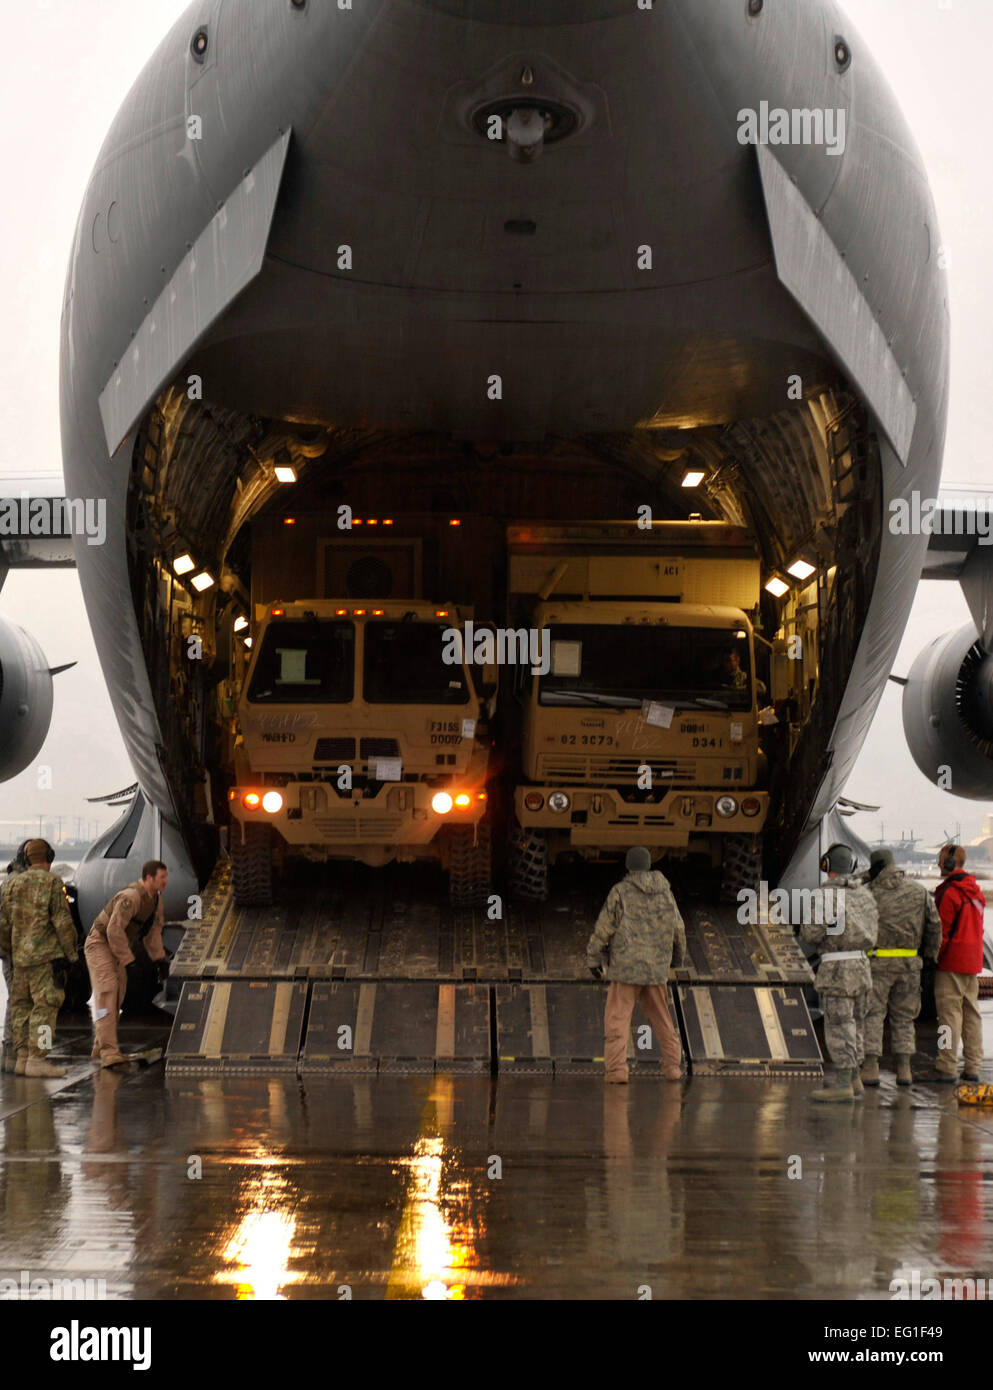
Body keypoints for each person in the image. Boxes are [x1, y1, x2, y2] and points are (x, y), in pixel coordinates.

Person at [586, 846, 686, 1084]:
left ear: (629, 867)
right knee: (663, 1020)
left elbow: (604, 928)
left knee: (617, 1022)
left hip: (626, 970)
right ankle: (673, 1067)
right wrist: (676, 960)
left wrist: (594, 957)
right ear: (649, 865)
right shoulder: (665, 893)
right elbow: (678, 929)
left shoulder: (620, 892)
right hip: (655, 970)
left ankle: (617, 1071)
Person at [802, 842, 878, 1103]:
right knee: (855, 1023)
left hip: (837, 969)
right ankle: (855, 1079)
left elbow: (811, 933)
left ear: (827, 866)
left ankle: (843, 1083)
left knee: (838, 1024)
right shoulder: (866, 895)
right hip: (862, 968)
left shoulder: (825, 896)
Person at [862, 848, 942, 1087]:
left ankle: (871, 1066)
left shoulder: (869, 894)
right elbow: (935, 925)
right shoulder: (919, 892)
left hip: (877, 964)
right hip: (910, 966)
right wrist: (928, 956)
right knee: (904, 1019)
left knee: (874, 1016)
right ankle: (904, 1069)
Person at [0, 839, 78, 1078]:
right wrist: (71, 954)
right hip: (45, 960)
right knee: (45, 1008)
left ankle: (22, 1058)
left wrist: (12, 951)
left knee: (21, 1008)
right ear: (49, 857)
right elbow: (63, 923)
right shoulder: (52, 882)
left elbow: (2, 926)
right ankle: (38, 1057)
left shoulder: (11, 884)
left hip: (20, 960)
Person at [85, 860, 169, 1067]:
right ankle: (109, 1053)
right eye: (162, 877)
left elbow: (154, 933)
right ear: (149, 878)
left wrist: (159, 959)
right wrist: (128, 961)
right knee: (107, 992)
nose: (166, 881)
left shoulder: (156, 901)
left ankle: (100, 1044)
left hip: (117, 947)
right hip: (100, 943)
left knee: (119, 994)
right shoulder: (130, 897)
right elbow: (113, 930)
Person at [931, 845, 986, 1084]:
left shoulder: (949, 893)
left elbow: (940, 933)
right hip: (973, 962)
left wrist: (933, 957)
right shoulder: (976, 892)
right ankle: (973, 1065)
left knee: (947, 1018)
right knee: (971, 1014)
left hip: (951, 962)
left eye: (941, 860)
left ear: (948, 863)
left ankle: (946, 1064)